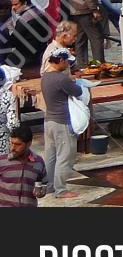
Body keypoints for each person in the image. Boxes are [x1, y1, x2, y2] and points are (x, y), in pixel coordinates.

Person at [40, 48, 82, 199]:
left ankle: (50, 186)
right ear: (61, 60)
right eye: (67, 62)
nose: (68, 65)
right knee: (65, 156)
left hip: (49, 121)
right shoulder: (61, 78)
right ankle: (61, 190)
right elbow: (78, 91)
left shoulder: (45, 76)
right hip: (62, 122)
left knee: (50, 156)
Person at [0, 124, 46, 207]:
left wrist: (41, 192)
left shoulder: (38, 162)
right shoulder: (2, 161)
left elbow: (43, 184)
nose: (13, 148)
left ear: (29, 144)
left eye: (18, 144)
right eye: (12, 143)